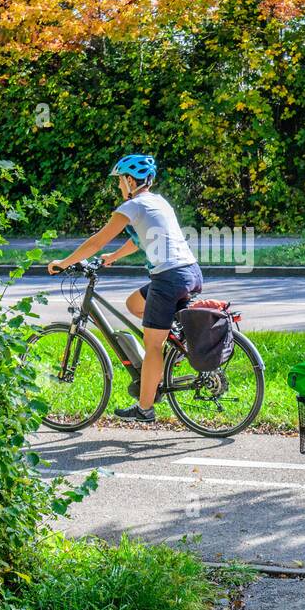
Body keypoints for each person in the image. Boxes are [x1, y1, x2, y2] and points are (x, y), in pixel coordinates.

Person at [47, 154, 203, 423]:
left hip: (168, 279)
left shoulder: (132, 207)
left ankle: (144, 409)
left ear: (131, 180)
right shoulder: (157, 202)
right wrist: (113, 258)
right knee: (134, 303)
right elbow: (138, 240)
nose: (119, 186)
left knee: (153, 344)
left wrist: (64, 262)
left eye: (120, 181)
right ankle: (173, 350)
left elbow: (97, 241)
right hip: (190, 272)